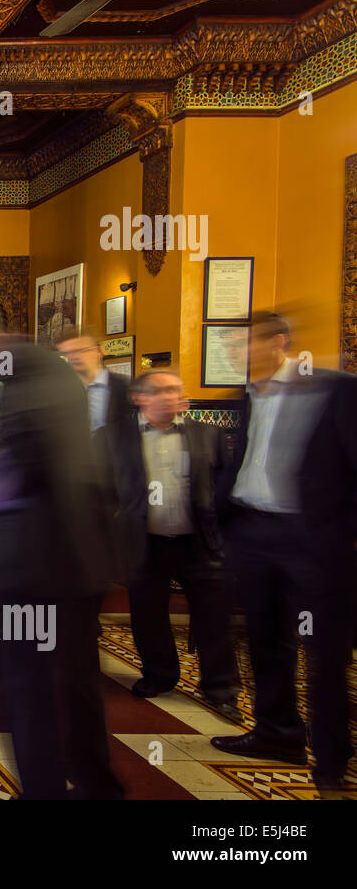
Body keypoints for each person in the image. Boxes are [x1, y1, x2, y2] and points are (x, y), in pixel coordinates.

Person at [0, 307, 123, 799]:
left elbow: (42, 467)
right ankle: (97, 785)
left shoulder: (28, 374)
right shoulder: (43, 369)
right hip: (75, 560)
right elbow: (46, 456)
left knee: (27, 690)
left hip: (39, 566)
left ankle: (46, 789)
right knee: (75, 684)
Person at [211, 311, 357, 797]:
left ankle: (333, 756)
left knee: (323, 653)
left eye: (245, 345)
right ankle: (278, 734)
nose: (237, 354)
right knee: (264, 640)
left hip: (312, 543)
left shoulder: (333, 390)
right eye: (233, 347)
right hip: (254, 534)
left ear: (279, 342)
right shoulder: (249, 396)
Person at [95, 370, 240, 721]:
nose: (172, 396)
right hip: (144, 541)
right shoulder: (113, 438)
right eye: (162, 390)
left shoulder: (208, 434)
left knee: (213, 616)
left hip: (198, 541)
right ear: (139, 398)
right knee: (148, 614)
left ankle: (220, 688)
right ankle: (159, 676)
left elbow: (225, 489)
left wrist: (225, 537)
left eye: (177, 389)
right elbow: (99, 490)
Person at [57, 331, 133, 431]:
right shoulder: (60, 392)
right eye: (67, 353)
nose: (74, 357)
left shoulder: (125, 387)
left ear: (99, 351)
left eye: (80, 350)